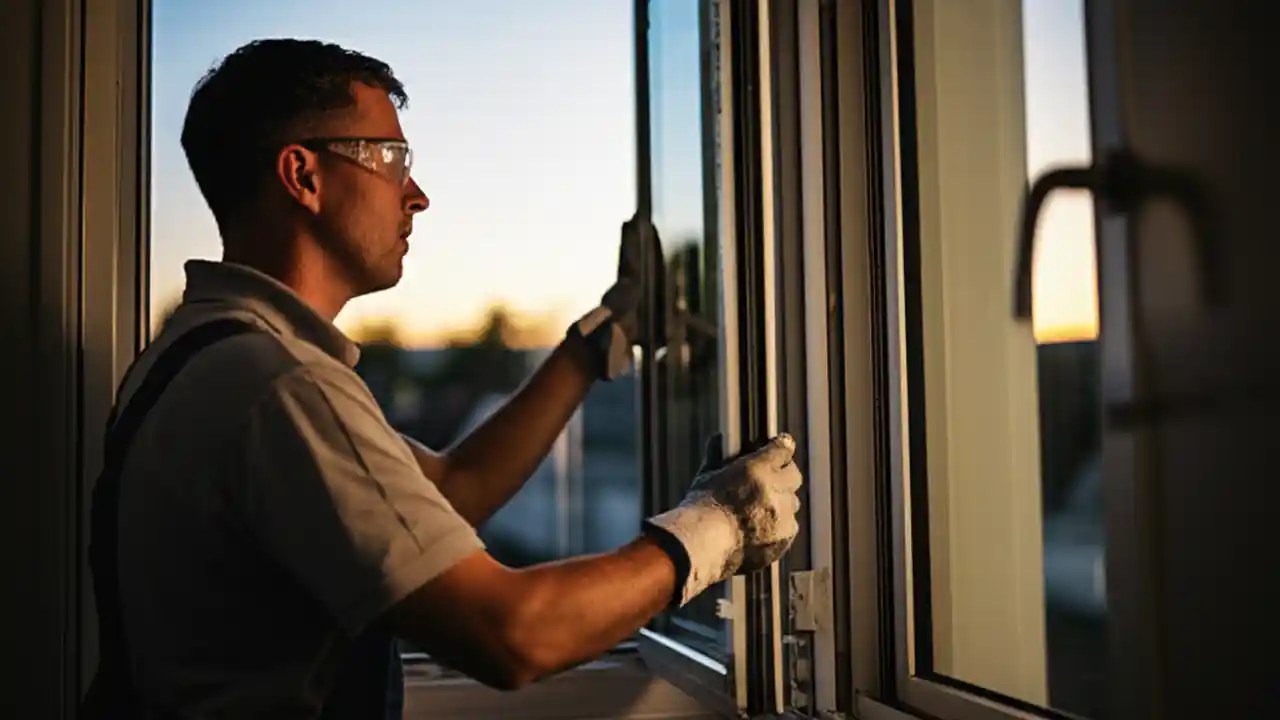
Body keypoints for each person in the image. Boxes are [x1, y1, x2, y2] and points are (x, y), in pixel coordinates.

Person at [82, 38, 803, 718]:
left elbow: (450, 492)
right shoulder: (277, 385)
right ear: (303, 175)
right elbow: (509, 633)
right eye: (392, 157)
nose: (416, 193)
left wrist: (599, 342)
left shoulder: (199, 355)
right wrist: (716, 529)